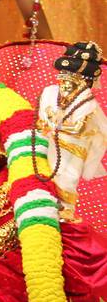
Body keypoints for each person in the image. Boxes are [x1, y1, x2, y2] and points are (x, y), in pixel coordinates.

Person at [36, 41, 107, 220]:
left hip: (73, 147)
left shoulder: (87, 103)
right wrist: (45, 126)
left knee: (67, 180)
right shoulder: (50, 93)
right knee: (40, 175)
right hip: (47, 142)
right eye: (63, 81)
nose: (65, 86)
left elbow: (77, 129)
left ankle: (66, 212)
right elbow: (39, 119)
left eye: (70, 82)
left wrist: (55, 127)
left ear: (82, 82)